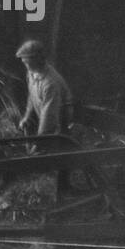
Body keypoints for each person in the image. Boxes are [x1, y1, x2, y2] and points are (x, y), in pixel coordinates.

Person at [16, 39, 75, 196]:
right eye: (24, 62)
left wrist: (40, 141)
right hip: (46, 117)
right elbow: (32, 96)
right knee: (45, 155)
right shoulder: (32, 73)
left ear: (37, 59)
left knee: (58, 156)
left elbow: (50, 116)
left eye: (27, 62)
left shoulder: (50, 83)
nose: (24, 65)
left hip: (61, 122)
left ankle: (61, 192)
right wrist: (27, 116)